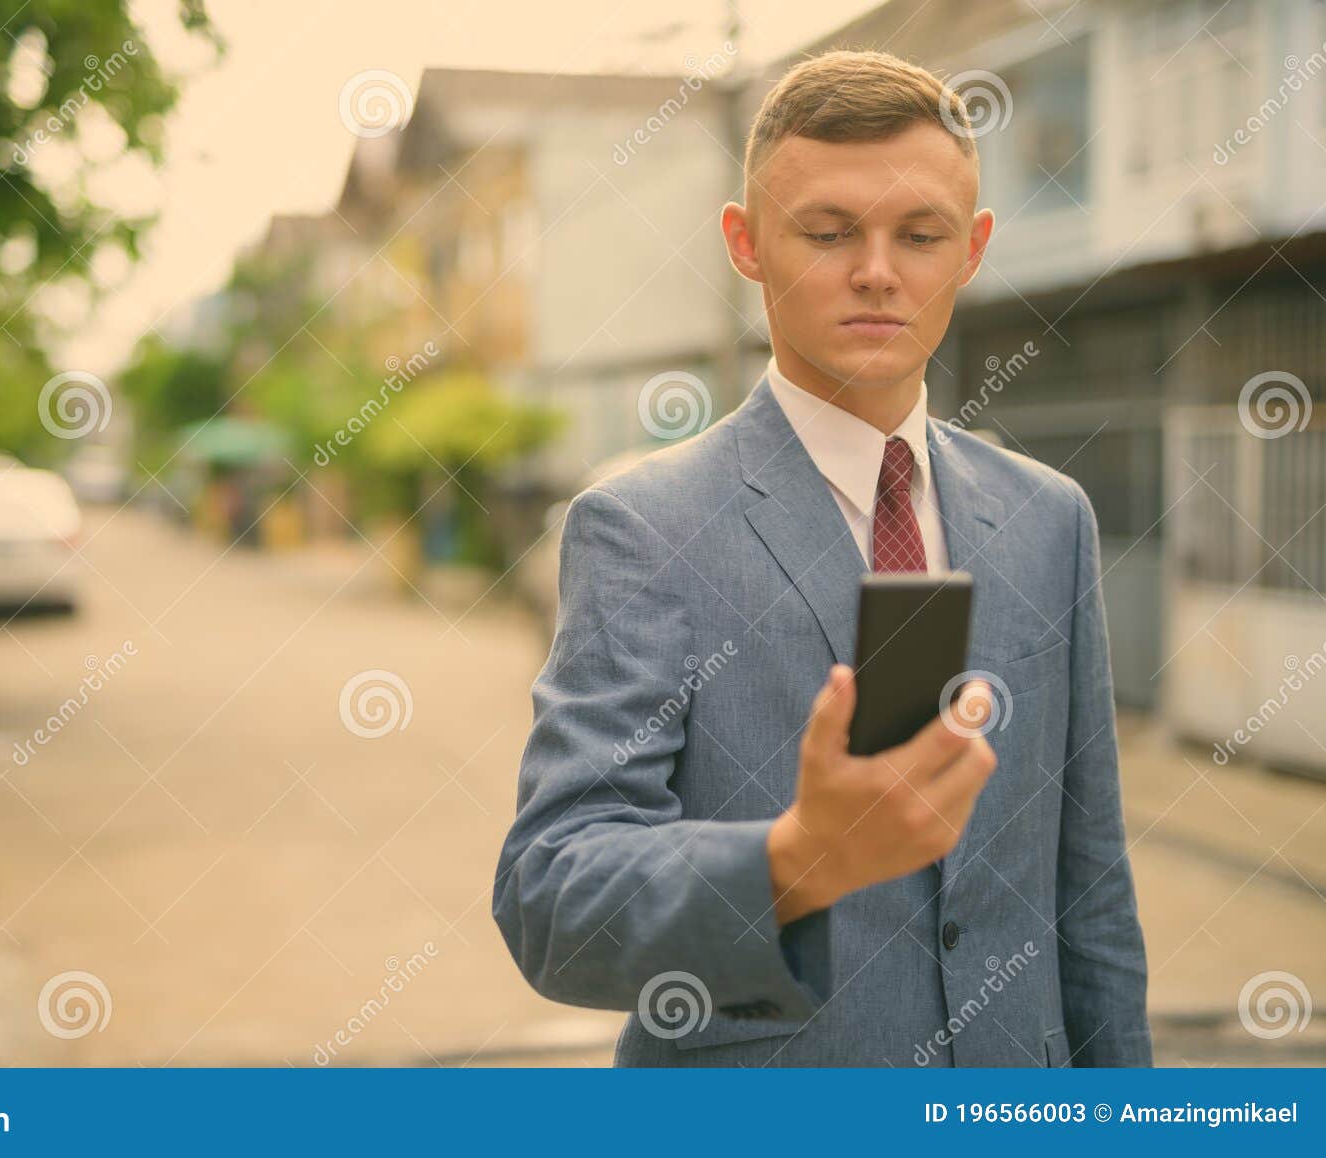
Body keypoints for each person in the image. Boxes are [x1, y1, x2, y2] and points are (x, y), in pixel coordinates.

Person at [492, 48, 1151, 1067]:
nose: (877, 270)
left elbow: (1092, 891)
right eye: (829, 232)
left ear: (972, 248)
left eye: (920, 235)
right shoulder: (643, 528)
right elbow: (551, 899)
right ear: (745, 242)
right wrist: (796, 859)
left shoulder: (1048, 521)